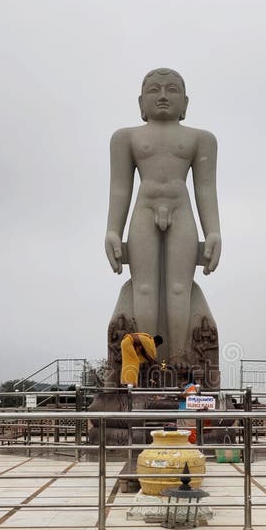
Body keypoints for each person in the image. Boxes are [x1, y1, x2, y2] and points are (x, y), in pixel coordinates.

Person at [105, 69, 222, 364]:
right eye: (154, 90)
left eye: (171, 89)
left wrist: (214, 232)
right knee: (143, 286)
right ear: (141, 102)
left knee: (179, 287)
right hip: (144, 209)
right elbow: (120, 187)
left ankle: (181, 355)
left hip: (182, 210)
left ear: (185, 103)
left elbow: (206, 188)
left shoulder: (201, 139)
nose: (162, 95)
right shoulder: (125, 138)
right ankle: (146, 356)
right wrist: (112, 231)